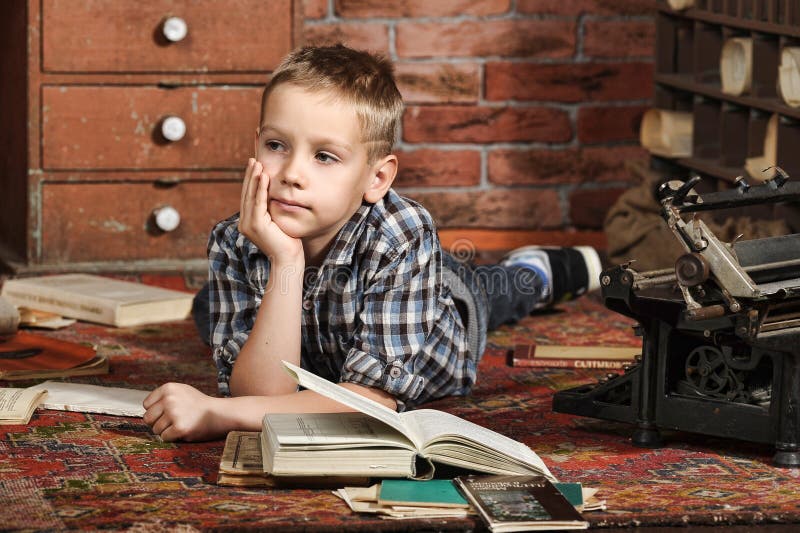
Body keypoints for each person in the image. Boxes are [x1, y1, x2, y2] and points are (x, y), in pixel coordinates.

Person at [142, 44, 601, 442]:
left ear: (376, 177)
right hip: (321, 326)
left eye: (324, 156)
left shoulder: (402, 233)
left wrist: (215, 412)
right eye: (277, 145)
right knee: (210, 309)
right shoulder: (234, 238)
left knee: (491, 290)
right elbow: (260, 398)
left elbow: (368, 404)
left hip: (441, 314)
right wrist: (285, 261)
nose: (291, 174)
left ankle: (539, 271)